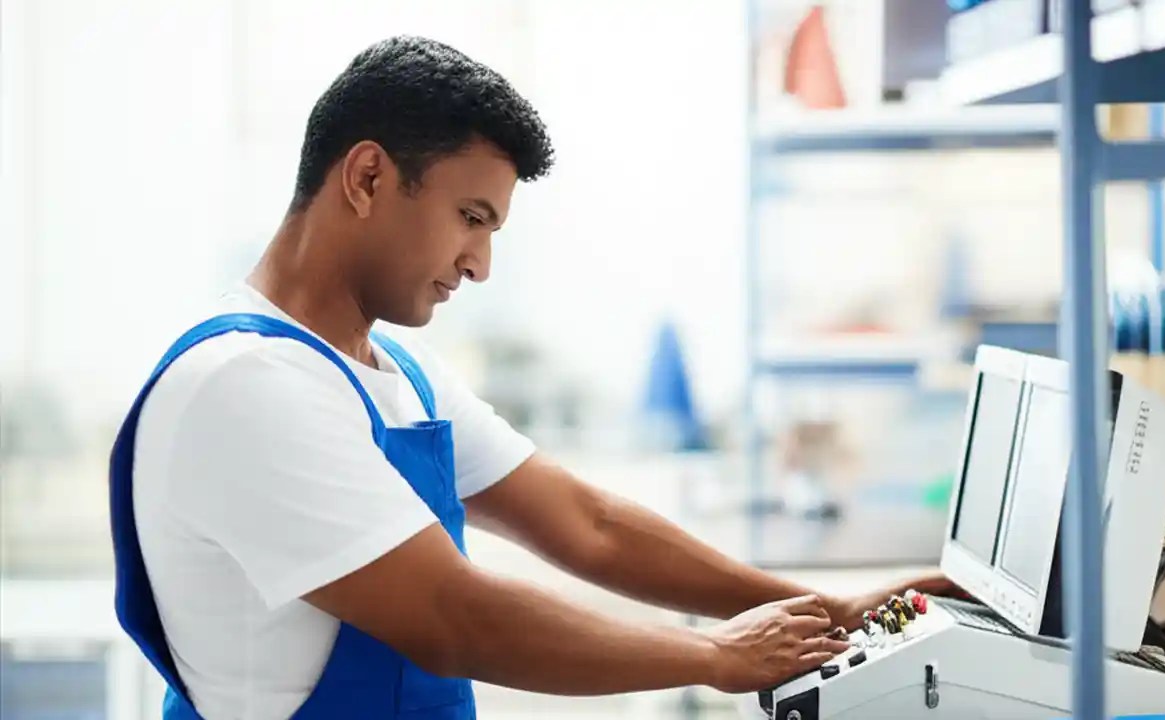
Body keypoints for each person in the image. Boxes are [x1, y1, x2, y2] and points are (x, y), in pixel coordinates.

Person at [109, 36, 957, 719]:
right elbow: (454, 618)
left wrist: (823, 611)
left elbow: (587, 526)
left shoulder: (393, 370)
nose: (478, 264)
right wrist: (713, 656)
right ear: (367, 178)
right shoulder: (245, 385)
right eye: (470, 219)